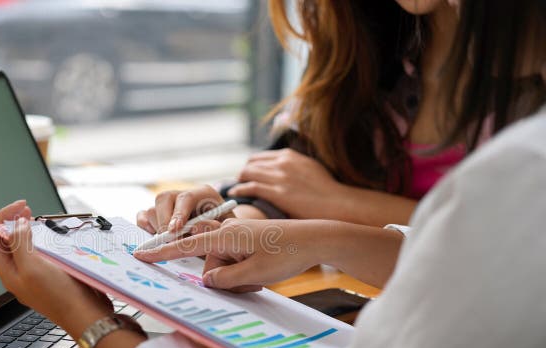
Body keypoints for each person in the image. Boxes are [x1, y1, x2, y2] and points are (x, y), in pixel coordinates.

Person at [0, 0, 546, 348]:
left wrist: (94, 327)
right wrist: (264, 227)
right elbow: (458, 254)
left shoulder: (520, 174)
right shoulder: (384, 74)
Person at [137, 0, 544, 235]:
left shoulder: (530, 84)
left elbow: (510, 247)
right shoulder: (366, 50)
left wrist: (344, 204)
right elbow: (285, 185)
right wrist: (225, 223)